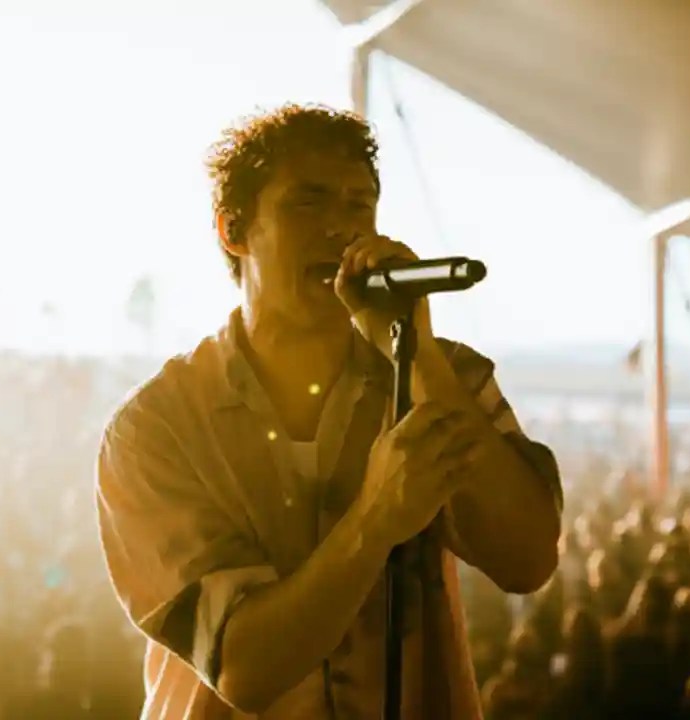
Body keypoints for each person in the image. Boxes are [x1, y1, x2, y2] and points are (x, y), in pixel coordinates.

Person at [95, 104, 562, 718]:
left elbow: (528, 559)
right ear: (233, 229)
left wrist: (416, 354)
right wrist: (374, 521)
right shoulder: (155, 430)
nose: (341, 229)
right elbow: (245, 666)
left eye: (358, 205)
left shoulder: (442, 376)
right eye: (308, 204)